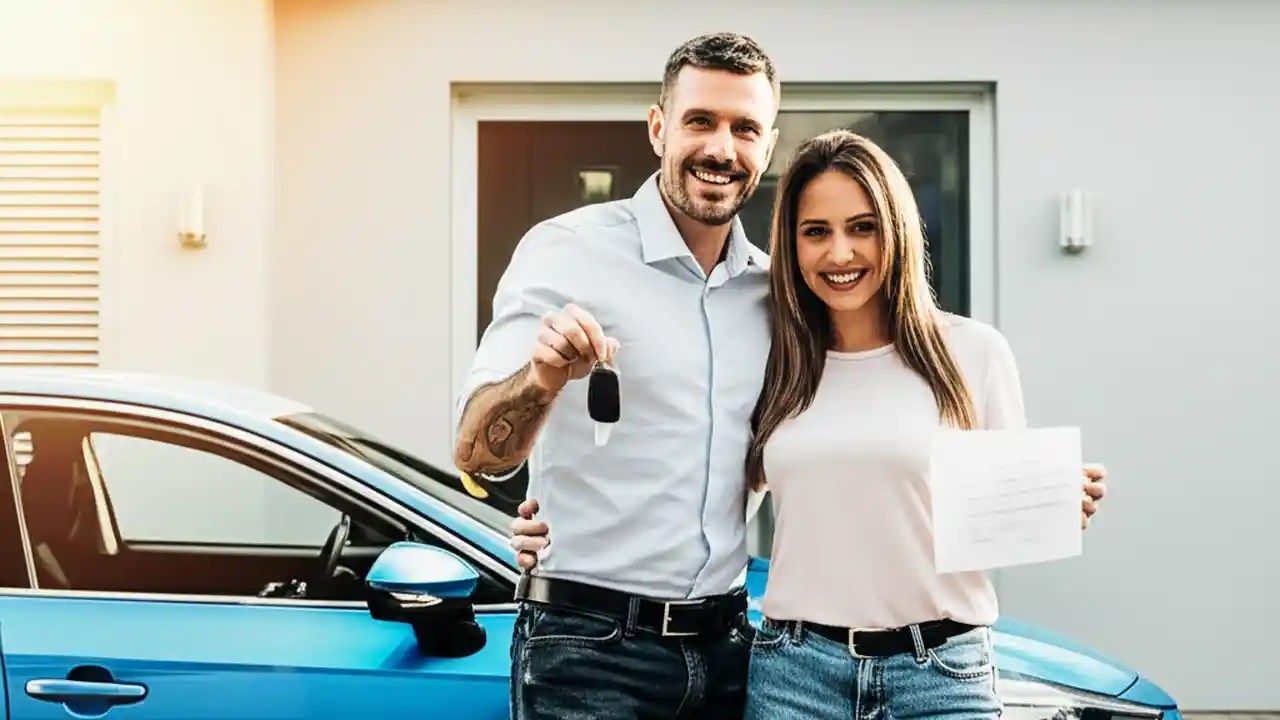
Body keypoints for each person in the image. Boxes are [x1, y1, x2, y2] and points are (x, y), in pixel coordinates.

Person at [458, 33, 1108, 720]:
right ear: (657, 128)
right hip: (593, 644)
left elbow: (791, 468)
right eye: (700, 120)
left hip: (730, 649)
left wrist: (1037, 499)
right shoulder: (568, 251)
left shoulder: (780, 305)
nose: (721, 148)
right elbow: (477, 453)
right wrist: (541, 380)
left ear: (767, 148)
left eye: (744, 128)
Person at [738, 128, 1047, 718]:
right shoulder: (775, 361)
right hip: (795, 675)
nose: (840, 254)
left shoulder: (974, 353)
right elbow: (718, 497)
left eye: (862, 228)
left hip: (941, 676)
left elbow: (1003, 518)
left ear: (896, 231)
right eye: (816, 232)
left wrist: (1048, 500)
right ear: (791, 245)